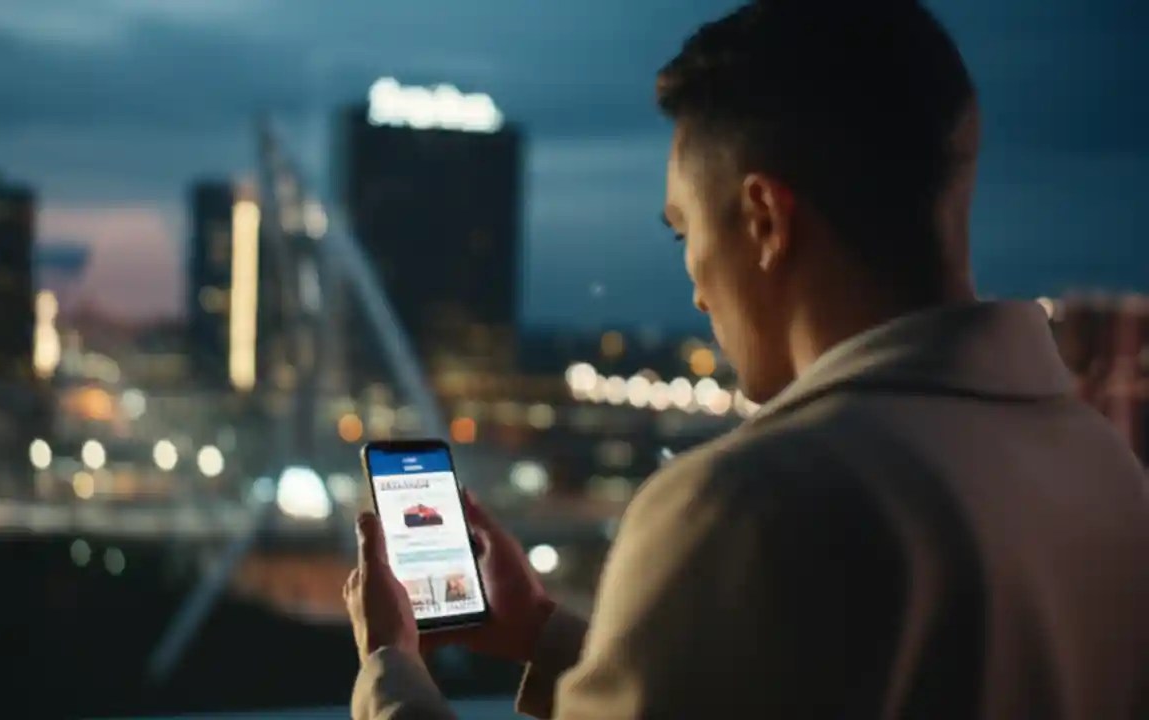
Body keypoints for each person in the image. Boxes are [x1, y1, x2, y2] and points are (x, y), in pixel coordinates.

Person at [343, 0, 1149, 717]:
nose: (696, 290)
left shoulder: (740, 507)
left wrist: (389, 669)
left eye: (684, 231)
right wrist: (541, 634)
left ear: (765, 219)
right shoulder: (1105, 472)